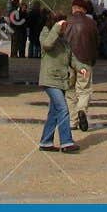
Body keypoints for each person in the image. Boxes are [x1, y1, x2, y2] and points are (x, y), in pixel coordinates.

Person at [36, 11, 78, 153]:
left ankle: (46, 142)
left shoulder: (63, 39)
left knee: (54, 112)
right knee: (63, 109)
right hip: (49, 79)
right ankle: (66, 142)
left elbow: (71, 58)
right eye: (63, 24)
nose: (65, 27)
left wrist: (81, 68)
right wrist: (55, 28)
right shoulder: (46, 33)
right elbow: (47, 45)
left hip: (61, 79)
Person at [60, 0, 99, 133]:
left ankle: (73, 121)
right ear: (84, 10)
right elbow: (96, 42)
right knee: (84, 88)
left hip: (69, 62)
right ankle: (82, 109)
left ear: (74, 8)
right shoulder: (91, 23)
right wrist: (93, 59)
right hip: (84, 61)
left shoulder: (66, 23)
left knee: (70, 91)